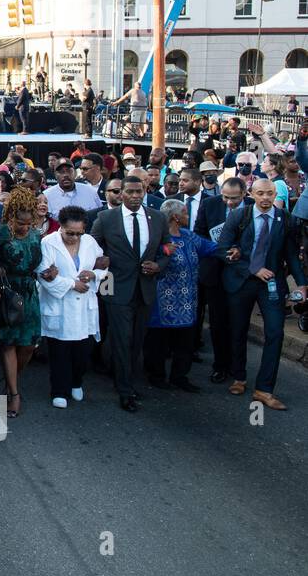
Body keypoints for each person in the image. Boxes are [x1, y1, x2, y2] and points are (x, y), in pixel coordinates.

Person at [218, 179, 308, 410]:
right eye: (261, 193)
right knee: (237, 330)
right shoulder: (240, 216)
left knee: (275, 333)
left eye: (270, 193)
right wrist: (252, 268)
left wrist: (301, 284)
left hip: (271, 284)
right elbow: (221, 249)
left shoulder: (284, 219)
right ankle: (239, 376)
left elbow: (289, 253)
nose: (266, 198)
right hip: (241, 282)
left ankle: (264, 389)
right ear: (252, 194)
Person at [90, 176, 171, 413]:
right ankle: (125, 389)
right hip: (116, 287)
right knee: (122, 338)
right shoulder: (106, 218)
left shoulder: (157, 218)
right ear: (121, 193)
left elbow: (167, 247)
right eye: (131, 192)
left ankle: (125, 376)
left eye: (140, 192)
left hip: (145, 288)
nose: (136, 196)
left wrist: (160, 265)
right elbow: (93, 246)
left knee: (137, 339)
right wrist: (102, 264)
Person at [145, 198, 220, 393]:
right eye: (186, 214)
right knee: (158, 343)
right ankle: (156, 376)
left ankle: (180, 376)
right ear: (176, 217)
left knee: (185, 343)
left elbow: (211, 248)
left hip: (188, 302)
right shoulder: (157, 238)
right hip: (162, 302)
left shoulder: (189, 237)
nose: (188, 217)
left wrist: (232, 251)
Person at [37, 206, 106, 408]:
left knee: (82, 351)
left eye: (79, 233)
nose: (74, 237)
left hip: (85, 307)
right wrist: (71, 284)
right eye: (70, 233)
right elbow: (43, 273)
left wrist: (94, 275)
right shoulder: (48, 243)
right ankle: (59, 389)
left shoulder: (90, 242)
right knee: (60, 352)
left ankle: (77, 382)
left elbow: (102, 265)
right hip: (60, 305)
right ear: (61, 228)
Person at [193, 176, 248, 383]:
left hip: (242, 273)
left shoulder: (251, 208)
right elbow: (199, 234)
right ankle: (220, 366)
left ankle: (237, 368)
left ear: (244, 194)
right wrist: (220, 251)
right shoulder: (209, 204)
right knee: (217, 323)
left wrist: (239, 251)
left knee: (238, 323)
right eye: (225, 197)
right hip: (214, 271)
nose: (229, 202)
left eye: (234, 198)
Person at [0, 186, 44, 418]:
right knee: (9, 343)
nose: (24, 227)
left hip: (30, 292)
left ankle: (11, 382)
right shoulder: (0, 234)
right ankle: (14, 393)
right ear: (10, 215)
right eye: (20, 222)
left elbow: (42, 262)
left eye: (28, 222)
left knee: (28, 345)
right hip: (9, 293)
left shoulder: (36, 235)